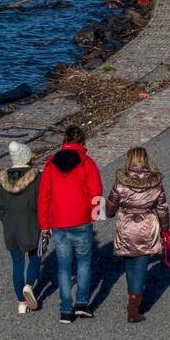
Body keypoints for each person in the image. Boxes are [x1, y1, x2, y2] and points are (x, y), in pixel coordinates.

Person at [37, 124, 102, 323]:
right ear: (82, 142)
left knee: (64, 267)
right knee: (84, 262)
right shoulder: (87, 163)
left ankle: (66, 309)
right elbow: (96, 193)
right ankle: (81, 303)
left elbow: (44, 197)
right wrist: (94, 216)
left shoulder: (50, 163)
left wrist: (44, 224)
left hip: (58, 221)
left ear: (64, 141)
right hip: (81, 219)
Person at [104, 147, 170, 323]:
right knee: (141, 265)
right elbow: (162, 209)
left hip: (126, 225)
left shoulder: (121, 182)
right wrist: (165, 230)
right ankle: (134, 307)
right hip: (147, 225)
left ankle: (132, 296)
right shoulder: (155, 182)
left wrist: (109, 210)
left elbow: (110, 210)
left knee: (129, 264)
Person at [0, 141, 42, 313]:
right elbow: (41, 202)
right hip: (31, 224)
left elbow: (0, 207)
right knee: (36, 256)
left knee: (17, 262)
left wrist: (6, 220)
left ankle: (21, 303)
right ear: (27, 157)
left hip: (10, 227)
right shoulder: (37, 177)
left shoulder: (3, 179)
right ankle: (29, 285)